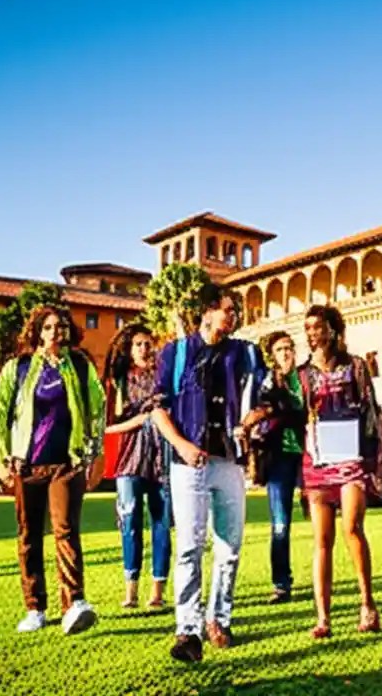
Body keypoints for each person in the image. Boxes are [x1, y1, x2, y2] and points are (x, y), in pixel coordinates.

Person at [151, 284, 265, 663]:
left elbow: (265, 398)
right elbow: (158, 408)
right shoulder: (177, 353)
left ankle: (219, 618)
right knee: (189, 546)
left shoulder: (244, 353)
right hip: (189, 462)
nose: (233, 317)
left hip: (229, 460)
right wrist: (182, 445)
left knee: (229, 546)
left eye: (236, 312)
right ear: (208, 312)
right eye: (228, 310)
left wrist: (250, 420)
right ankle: (188, 630)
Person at [0, 305, 105, 636]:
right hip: (26, 465)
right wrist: (1, 458)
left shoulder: (79, 366)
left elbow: (97, 411)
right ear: (38, 332)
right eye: (49, 327)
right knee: (29, 536)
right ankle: (35, 607)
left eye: (61, 326)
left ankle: (74, 604)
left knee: (66, 531)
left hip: (67, 464)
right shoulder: (19, 368)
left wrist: (95, 454)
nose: (56, 332)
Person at [296, 305, 382, 639]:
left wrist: (372, 456)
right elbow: (293, 413)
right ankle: (323, 617)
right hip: (317, 460)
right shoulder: (302, 374)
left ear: (333, 329)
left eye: (318, 327)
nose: (313, 333)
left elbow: (370, 409)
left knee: (352, 528)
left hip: (350, 457)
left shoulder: (355, 366)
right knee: (321, 540)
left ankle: (367, 604)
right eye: (308, 328)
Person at [102, 323, 172, 610]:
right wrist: (139, 421)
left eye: (148, 343)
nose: (144, 349)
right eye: (138, 344)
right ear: (129, 350)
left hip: (162, 456)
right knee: (129, 519)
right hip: (129, 457)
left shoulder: (164, 377)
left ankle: (157, 592)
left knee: (162, 521)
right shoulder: (118, 382)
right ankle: (130, 590)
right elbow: (106, 427)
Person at [238, 330, 306, 604]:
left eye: (289, 347)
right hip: (280, 458)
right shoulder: (267, 382)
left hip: (310, 455)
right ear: (272, 356)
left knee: (323, 519)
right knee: (280, 524)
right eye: (280, 349)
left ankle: (323, 577)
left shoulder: (305, 378)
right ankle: (281, 584)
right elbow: (265, 407)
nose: (286, 353)